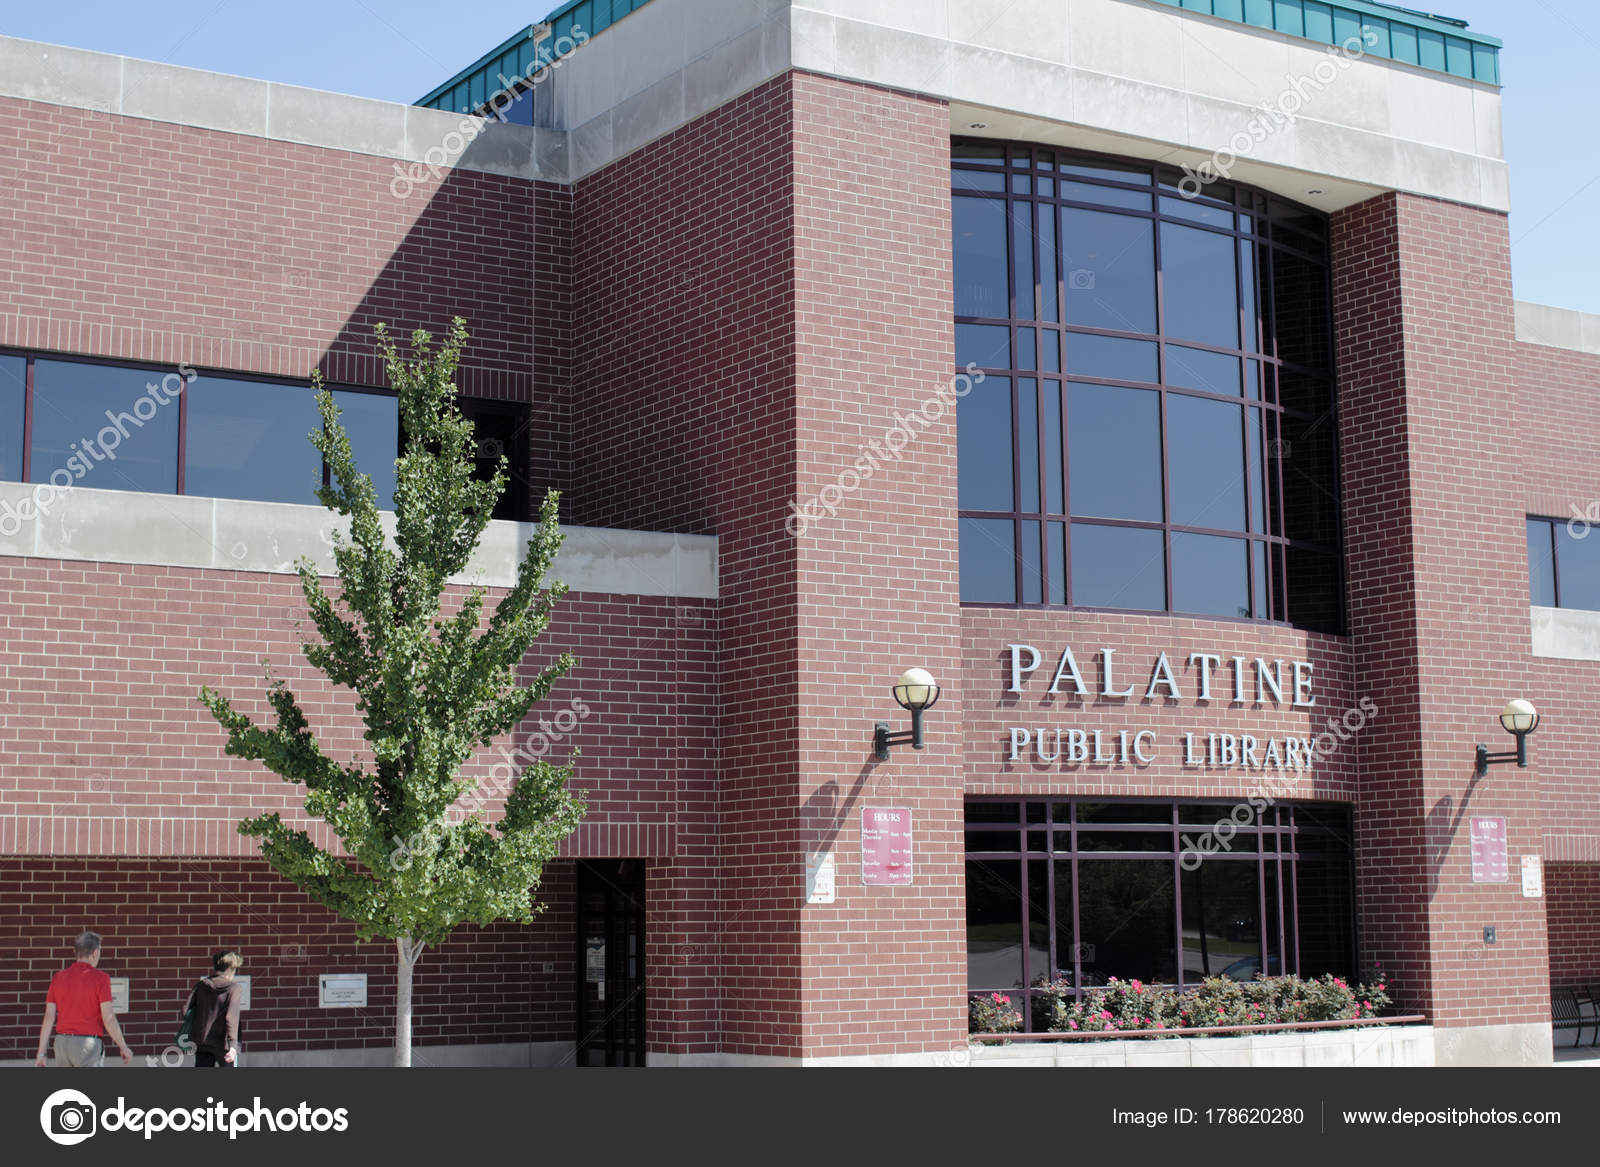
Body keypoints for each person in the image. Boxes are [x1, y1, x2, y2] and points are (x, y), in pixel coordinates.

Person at [35, 931, 134, 1067]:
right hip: (87, 1045)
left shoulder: (58, 977)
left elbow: (49, 1017)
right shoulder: (101, 978)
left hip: (62, 1043)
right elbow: (108, 1018)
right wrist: (123, 1046)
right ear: (94, 952)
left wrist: (41, 1053)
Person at [187, 950, 244, 1068]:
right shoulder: (234, 988)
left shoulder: (201, 985)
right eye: (235, 969)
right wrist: (233, 1046)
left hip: (202, 1041)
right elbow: (231, 1017)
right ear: (230, 968)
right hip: (224, 1043)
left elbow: (185, 1010)